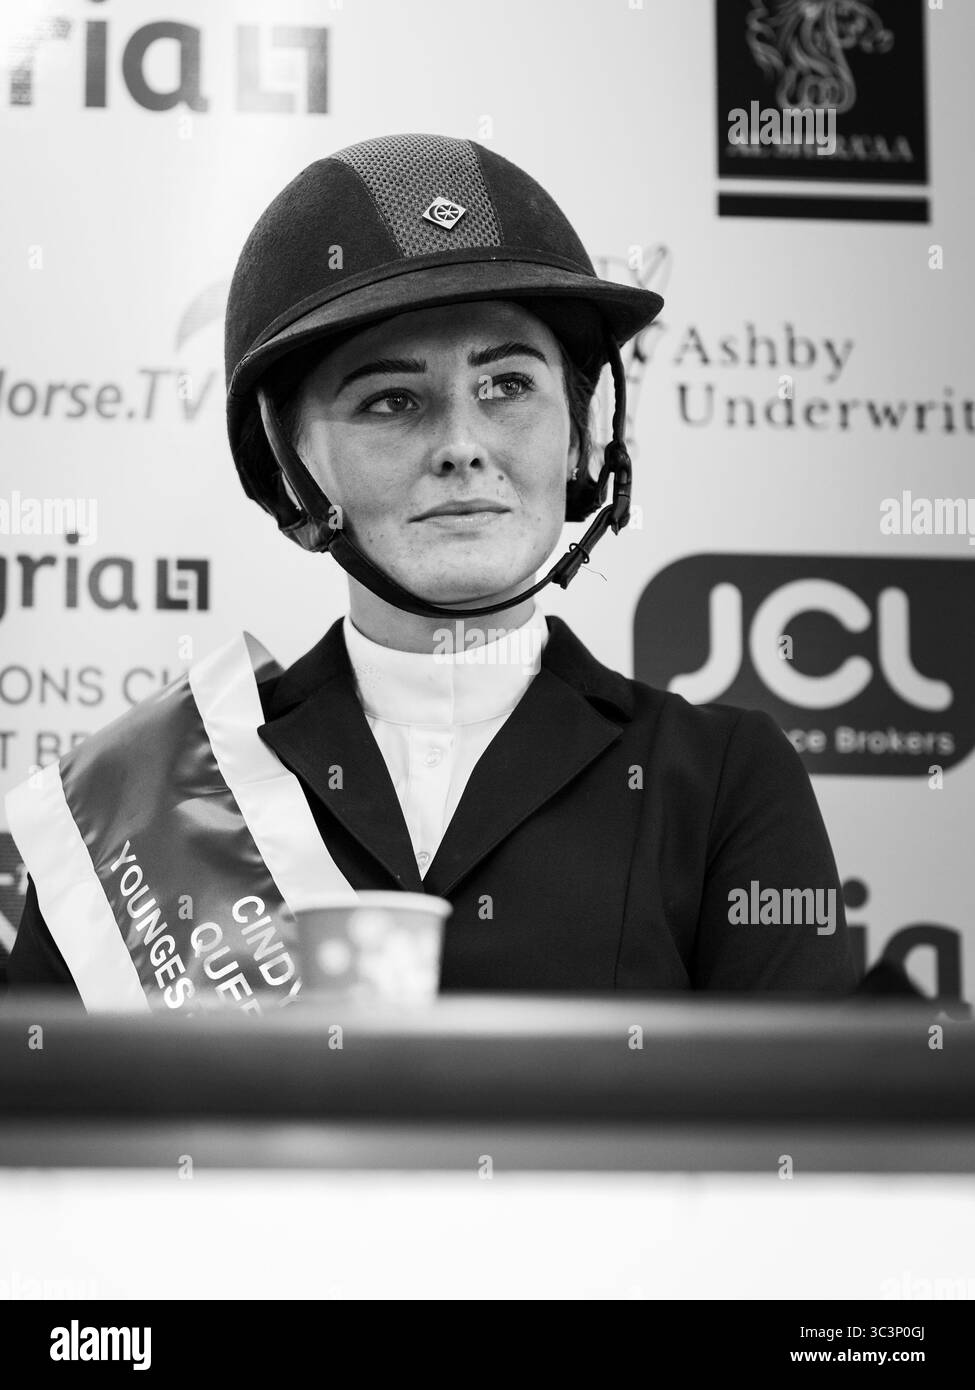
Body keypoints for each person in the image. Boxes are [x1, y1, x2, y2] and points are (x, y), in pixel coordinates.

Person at [3, 132, 859, 1008]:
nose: (461, 446)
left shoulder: (722, 778)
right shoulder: (135, 801)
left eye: (508, 386)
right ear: (292, 463)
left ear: (579, 432)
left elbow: (796, 1132)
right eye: (390, 401)